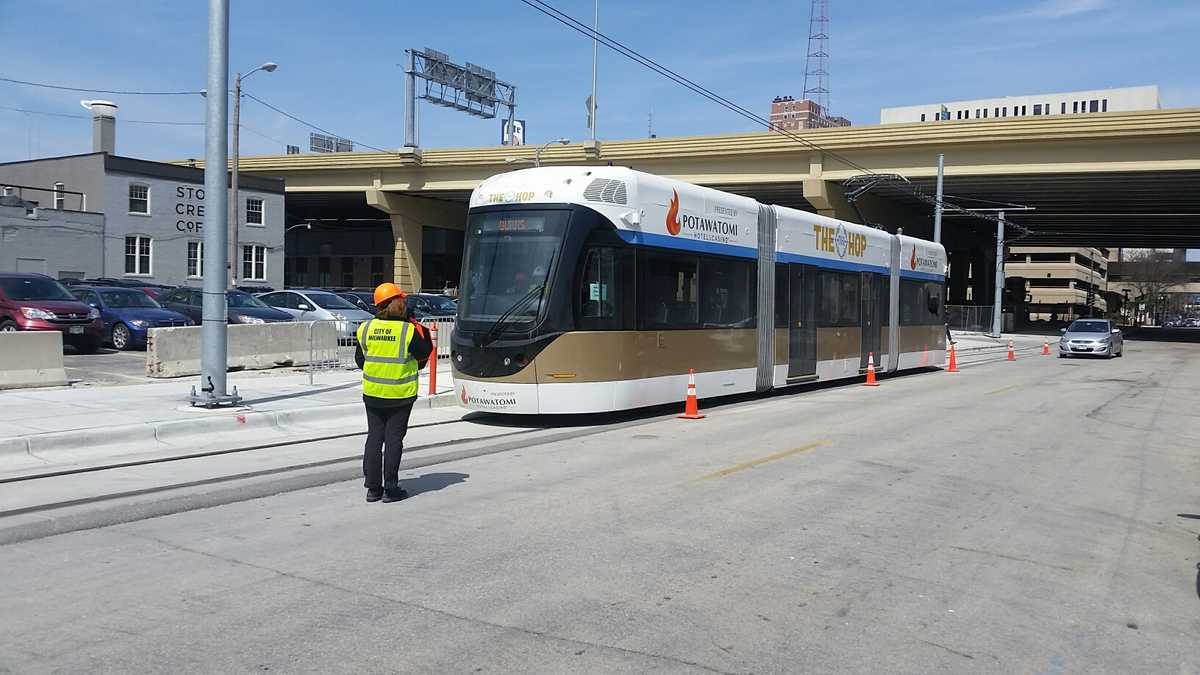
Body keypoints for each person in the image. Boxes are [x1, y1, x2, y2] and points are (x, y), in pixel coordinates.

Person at [354, 282, 433, 503]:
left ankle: (373, 489)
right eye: (402, 300)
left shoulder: (366, 328)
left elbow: (360, 360)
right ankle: (391, 488)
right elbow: (424, 352)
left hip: (373, 393)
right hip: (400, 395)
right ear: (394, 303)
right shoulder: (407, 331)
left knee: (374, 439)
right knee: (393, 441)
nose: (405, 303)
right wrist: (416, 325)